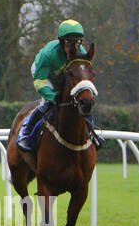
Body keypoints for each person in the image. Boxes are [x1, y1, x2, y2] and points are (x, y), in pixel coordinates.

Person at [17, 19, 105, 151]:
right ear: (61, 41)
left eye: (77, 41)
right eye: (69, 42)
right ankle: (26, 134)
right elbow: (39, 81)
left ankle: (92, 133)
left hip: (66, 75)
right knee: (47, 103)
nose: (73, 45)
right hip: (44, 74)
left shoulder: (80, 52)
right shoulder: (49, 54)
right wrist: (52, 96)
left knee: (82, 101)